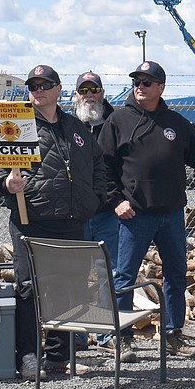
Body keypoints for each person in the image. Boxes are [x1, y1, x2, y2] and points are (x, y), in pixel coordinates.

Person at [97, 61, 195, 359]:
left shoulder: (178, 123)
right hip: (135, 214)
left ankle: (173, 336)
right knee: (125, 276)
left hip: (171, 213)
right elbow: (102, 168)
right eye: (137, 80)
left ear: (161, 87)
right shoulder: (118, 121)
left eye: (148, 82)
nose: (140, 86)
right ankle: (121, 338)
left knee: (175, 274)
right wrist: (116, 201)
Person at [0, 64, 106, 381]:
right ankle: (29, 356)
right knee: (29, 289)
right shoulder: (12, 124)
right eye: (33, 85)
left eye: (45, 84)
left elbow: (98, 165)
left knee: (69, 290)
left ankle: (59, 357)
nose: (38, 90)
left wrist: (95, 199)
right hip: (31, 222)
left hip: (72, 224)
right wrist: (5, 184)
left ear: (58, 89)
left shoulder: (76, 129)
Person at [70, 70, 125, 359]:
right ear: (76, 95)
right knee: (75, 274)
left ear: (102, 93)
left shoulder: (116, 124)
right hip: (76, 215)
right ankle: (78, 335)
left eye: (94, 90)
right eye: (84, 90)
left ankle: (106, 335)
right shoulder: (67, 125)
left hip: (107, 213)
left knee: (108, 273)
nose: (89, 95)